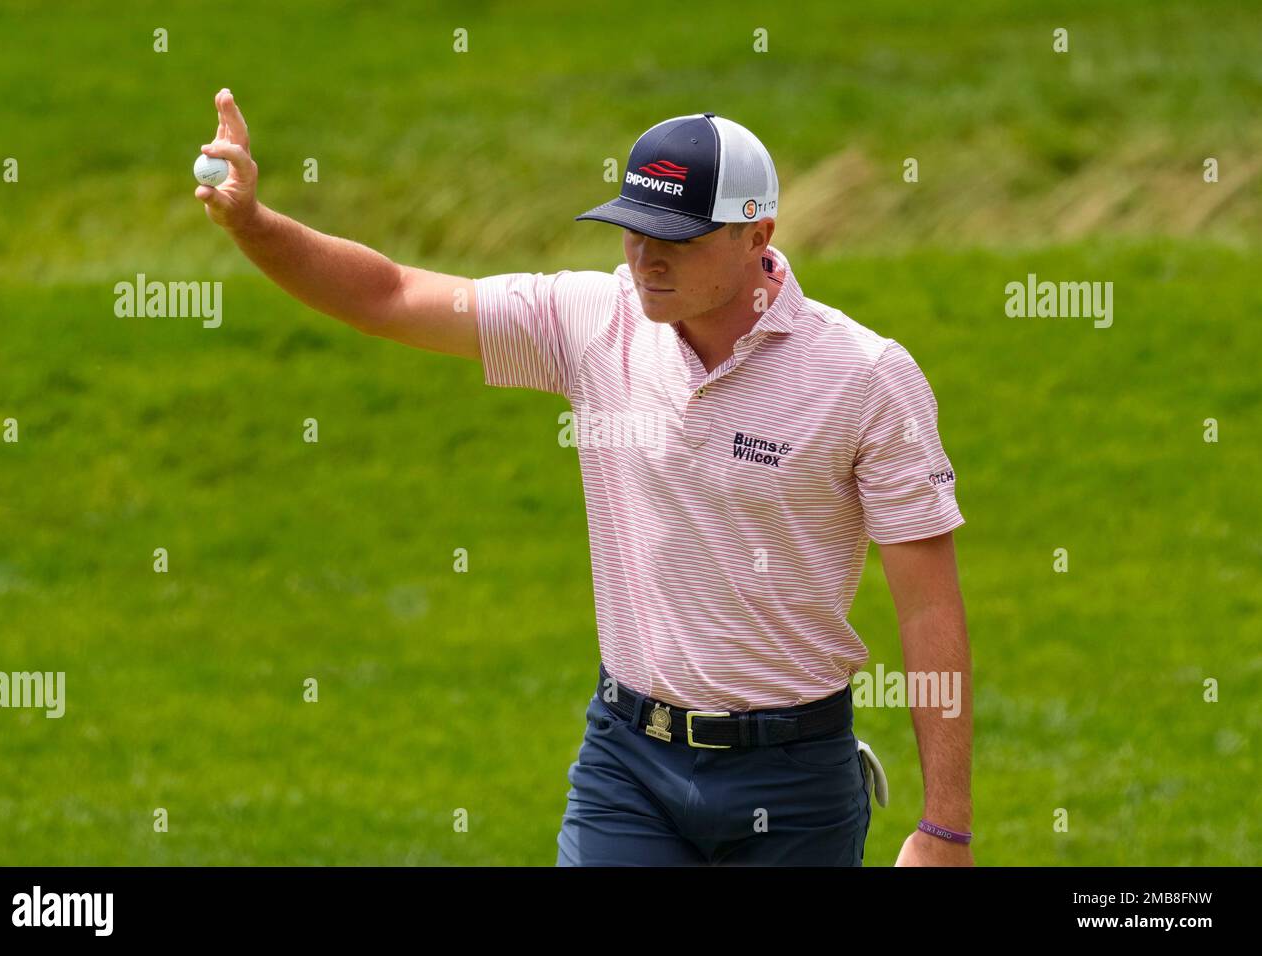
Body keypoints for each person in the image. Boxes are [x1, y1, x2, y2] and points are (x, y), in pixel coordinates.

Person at [196, 90, 974, 866]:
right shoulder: (593, 321)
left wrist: (944, 827)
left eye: (678, 238)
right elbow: (389, 295)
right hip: (628, 767)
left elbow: (929, 605)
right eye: (635, 232)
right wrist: (253, 224)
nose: (646, 257)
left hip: (795, 784)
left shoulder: (866, 377)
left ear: (756, 236)